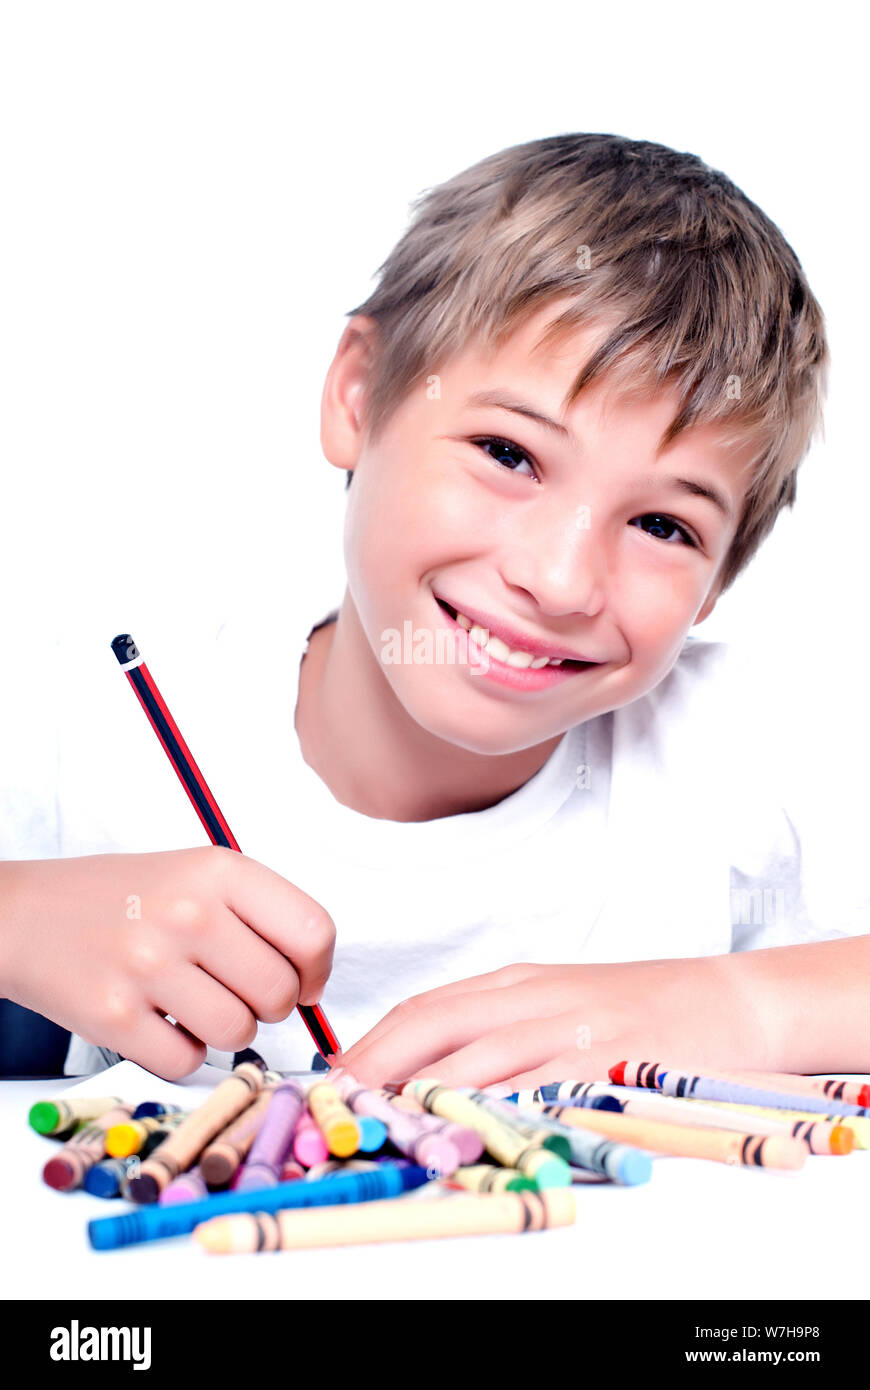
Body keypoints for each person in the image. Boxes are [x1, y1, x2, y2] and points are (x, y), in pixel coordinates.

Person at [2, 133, 866, 1089]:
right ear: (358, 395)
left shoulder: (735, 752)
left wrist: (737, 1006)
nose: (562, 579)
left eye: (663, 524)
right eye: (508, 454)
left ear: (720, 578)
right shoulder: (81, 729)